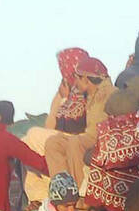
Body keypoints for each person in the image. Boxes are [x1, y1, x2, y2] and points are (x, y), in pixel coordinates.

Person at [21, 47, 92, 206]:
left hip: (84, 141)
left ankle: (42, 195)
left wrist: (64, 99)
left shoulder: (89, 88)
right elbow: (50, 127)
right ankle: (39, 197)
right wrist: (60, 98)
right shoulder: (67, 94)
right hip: (64, 141)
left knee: (32, 134)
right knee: (26, 142)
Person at [82, 89, 139, 211]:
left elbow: (95, 158)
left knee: (95, 165)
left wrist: (95, 154)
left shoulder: (114, 132)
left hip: (132, 193)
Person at [43, 57, 116, 189]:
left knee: (75, 143)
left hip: (103, 139)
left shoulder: (109, 93)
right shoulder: (87, 94)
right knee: (53, 143)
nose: (75, 83)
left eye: (77, 78)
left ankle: (78, 193)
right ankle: (62, 189)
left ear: (86, 79)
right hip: (88, 137)